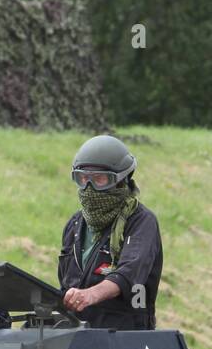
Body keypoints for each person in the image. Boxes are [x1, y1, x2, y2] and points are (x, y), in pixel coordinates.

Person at [58, 135, 162, 330]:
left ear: (121, 180)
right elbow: (65, 286)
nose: (89, 187)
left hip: (125, 341)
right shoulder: (75, 224)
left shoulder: (141, 221)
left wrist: (89, 295)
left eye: (99, 179)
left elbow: (128, 275)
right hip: (76, 339)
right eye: (83, 178)